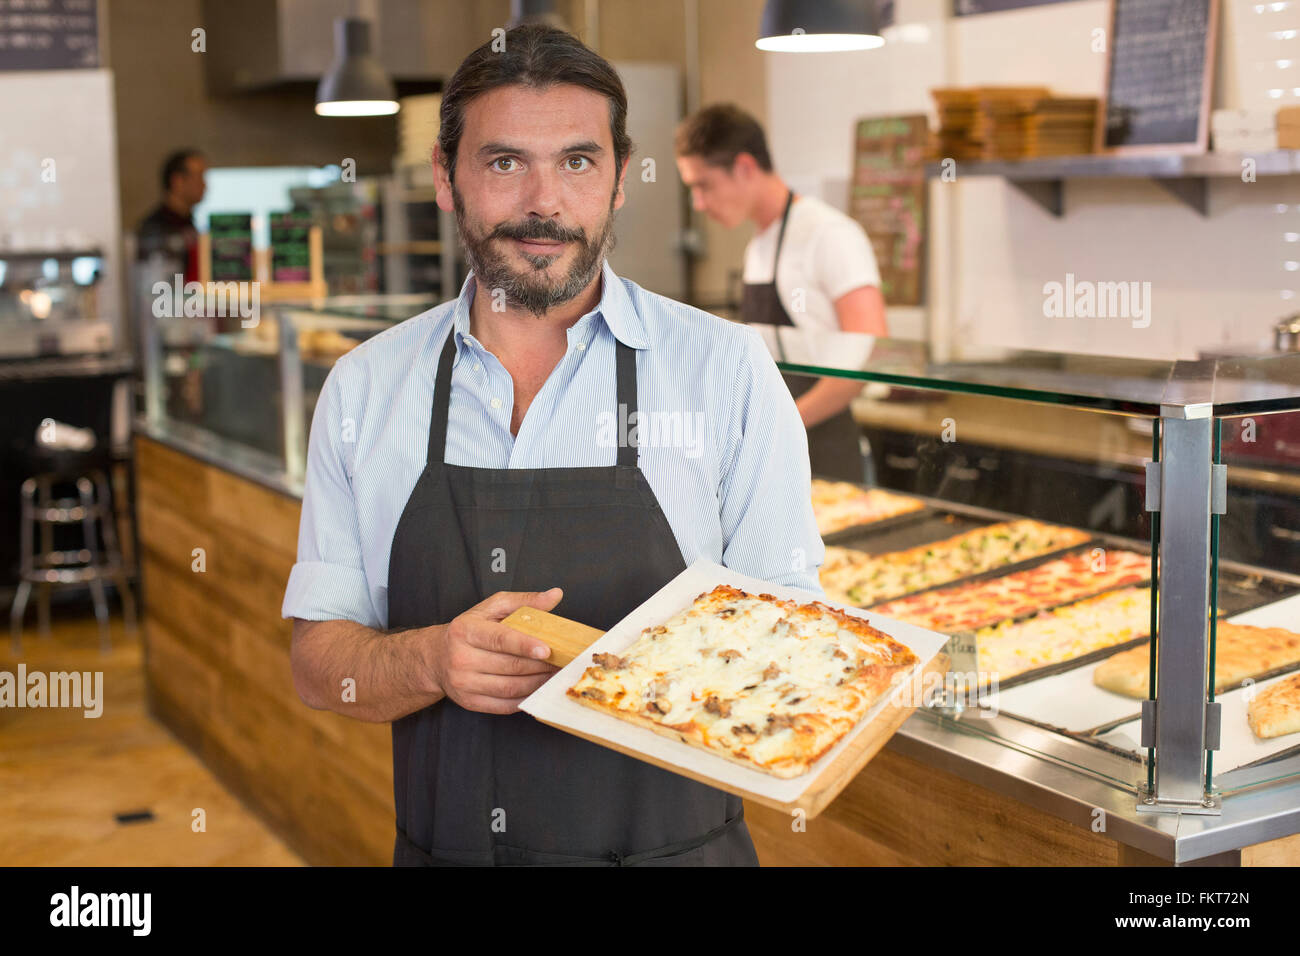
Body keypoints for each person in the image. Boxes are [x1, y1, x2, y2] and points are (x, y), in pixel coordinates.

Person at [282, 24, 823, 867]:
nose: (544, 200)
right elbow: (320, 665)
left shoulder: (725, 371)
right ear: (445, 178)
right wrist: (431, 660)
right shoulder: (365, 388)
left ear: (616, 180)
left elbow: (796, 642)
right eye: (504, 162)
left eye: (577, 161)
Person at [675, 105, 887, 482]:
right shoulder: (758, 243)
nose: (699, 204)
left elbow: (869, 353)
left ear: (744, 167)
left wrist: (782, 426)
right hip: (775, 456)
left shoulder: (829, 235)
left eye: (703, 185)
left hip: (825, 454)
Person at [135, 148, 207, 281]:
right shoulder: (154, 229)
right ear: (178, 181)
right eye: (199, 177)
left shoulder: (190, 224)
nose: (204, 185)